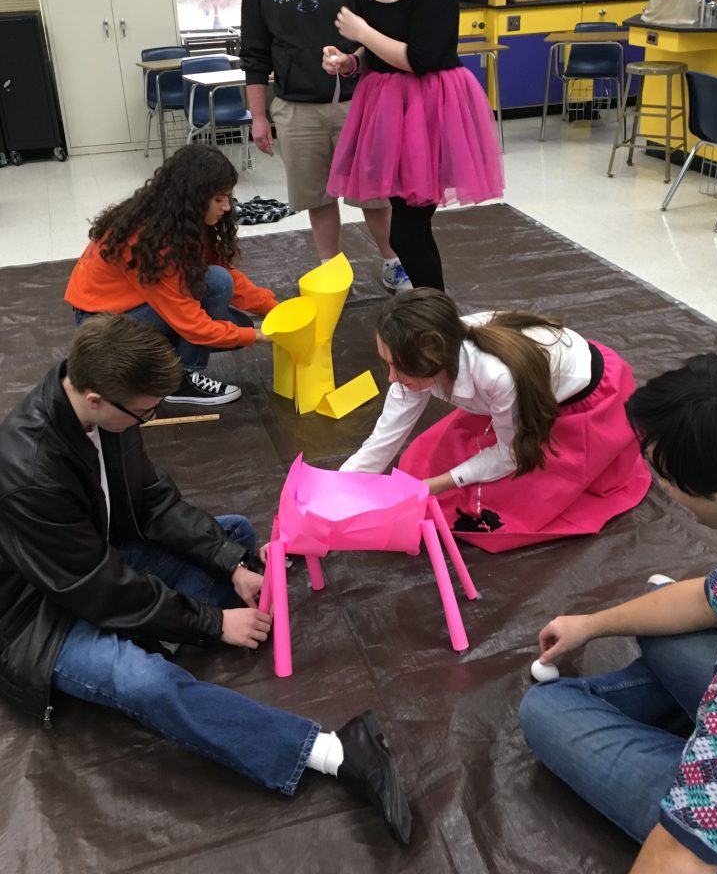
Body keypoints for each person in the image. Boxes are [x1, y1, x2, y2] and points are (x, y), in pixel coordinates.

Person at [0, 314, 412, 845]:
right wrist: (214, 624)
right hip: (41, 616)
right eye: (146, 413)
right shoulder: (29, 472)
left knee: (232, 537)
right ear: (99, 398)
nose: (149, 420)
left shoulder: (106, 411)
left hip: (100, 559)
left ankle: (158, 627)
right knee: (145, 683)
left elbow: (151, 501)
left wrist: (231, 564)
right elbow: (97, 586)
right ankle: (334, 753)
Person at [519, 353, 717, 873]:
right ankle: (710, 727)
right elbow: (708, 597)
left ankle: (712, 736)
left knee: (545, 710)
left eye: (660, 468)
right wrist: (592, 624)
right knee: (667, 628)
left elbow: (680, 855)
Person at [341, 289, 650, 552]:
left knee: (494, 511)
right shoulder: (434, 352)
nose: (392, 378)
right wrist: (340, 490)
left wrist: (435, 485)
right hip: (520, 394)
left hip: (583, 405)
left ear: (432, 358)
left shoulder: (497, 375)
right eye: (388, 365)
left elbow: (509, 455)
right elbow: (383, 438)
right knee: (431, 463)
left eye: (398, 368)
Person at [322, 0, 504, 292]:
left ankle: (436, 317)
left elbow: (421, 57)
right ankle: (434, 314)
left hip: (430, 111)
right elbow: (380, 49)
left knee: (406, 231)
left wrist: (362, 34)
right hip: (389, 109)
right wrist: (351, 62)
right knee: (411, 229)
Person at [240, 0, 410, 293]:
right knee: (318, 196)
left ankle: (392, 261)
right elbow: (255, 56)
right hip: (296, 107)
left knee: (375, 194)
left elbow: (381, 25)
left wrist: (357, 61)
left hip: (357, 99)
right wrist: (259, 117)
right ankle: (332, 271)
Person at [65, 144, 275, 407]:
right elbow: (191, 321)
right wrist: (258, 337)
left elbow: (228, 275)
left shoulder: (181, 219)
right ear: (194, 197)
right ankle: (179, 379)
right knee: (217, 290)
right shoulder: (148, 238)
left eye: (228, 198)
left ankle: (165, 362)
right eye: (219, 199)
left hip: (130, 310)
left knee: (237, 321)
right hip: (102, 327)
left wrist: (274, 308)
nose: (227, 207)